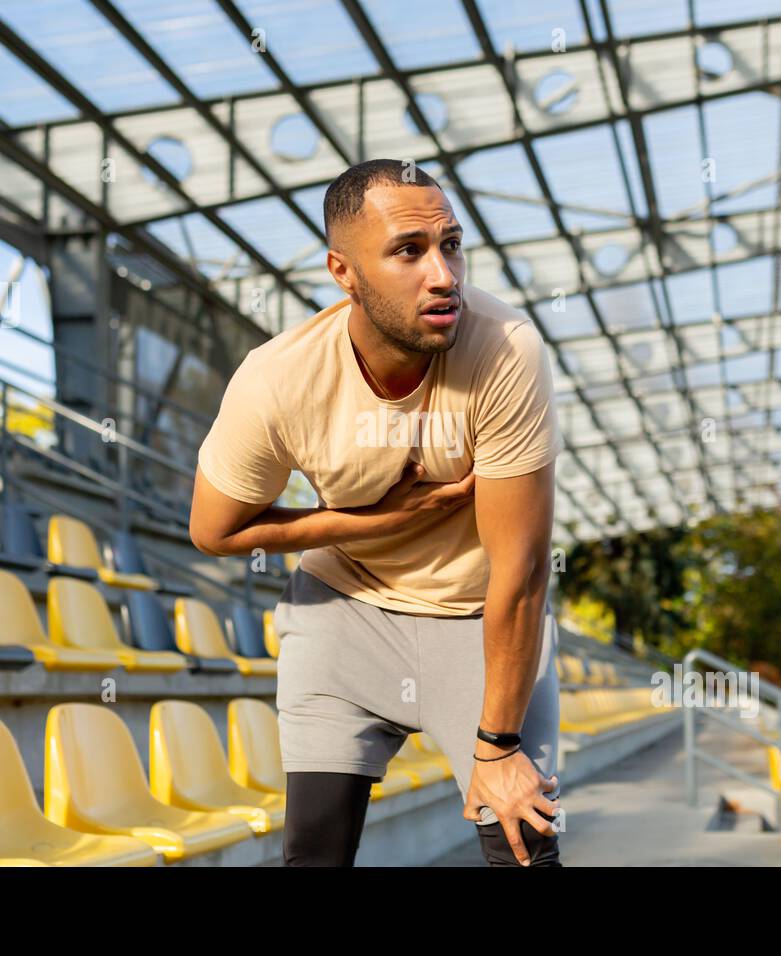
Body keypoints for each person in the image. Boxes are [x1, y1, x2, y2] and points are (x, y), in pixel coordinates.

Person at [190, 158, 565, 866]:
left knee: (524, 848)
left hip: (478, 619)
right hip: (345, 612)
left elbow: (520, 568)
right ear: (344, 272)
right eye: (408, 251)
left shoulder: (505, 349)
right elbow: (214, 531)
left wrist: (497, 746)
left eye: (451, 245)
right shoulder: (277, 380)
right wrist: (373, 521)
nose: (444, 275)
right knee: (315, 855)